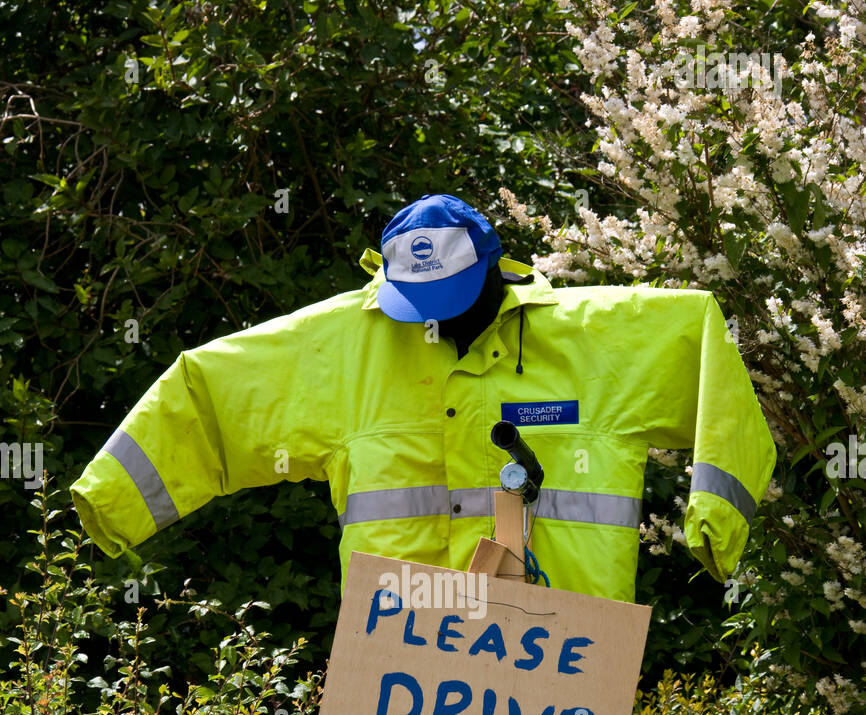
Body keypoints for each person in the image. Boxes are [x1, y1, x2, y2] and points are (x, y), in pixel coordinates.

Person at [71, 192, 776, 605]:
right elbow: (209, 388)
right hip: (406, 659)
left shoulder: (597, 339)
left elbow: (704, 339)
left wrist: (718, 517)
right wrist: (112, 501)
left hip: (561, 653)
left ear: (496, 268)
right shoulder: (341, 344)